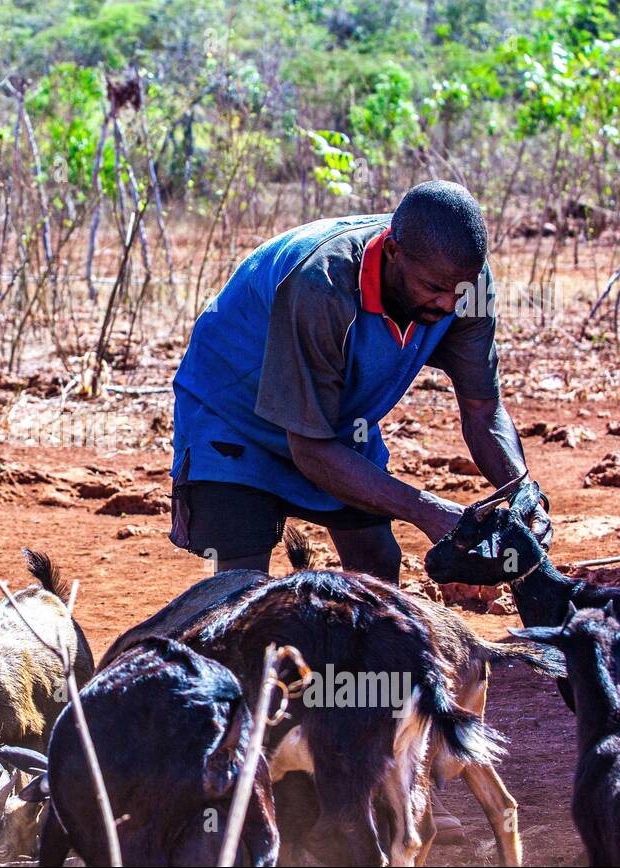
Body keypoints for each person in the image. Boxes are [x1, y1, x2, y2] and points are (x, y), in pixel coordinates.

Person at [170, 180, 551, 581]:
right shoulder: (323, 284)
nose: (450, 304)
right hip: (233, 414)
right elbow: (311, 449)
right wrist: (426, 510)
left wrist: (522, 490)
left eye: (461, 291)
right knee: (241, 586)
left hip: (334, 415)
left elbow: (483, 409)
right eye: (435, 289)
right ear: (392, 253)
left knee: (377, 562)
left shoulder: (463, 284)